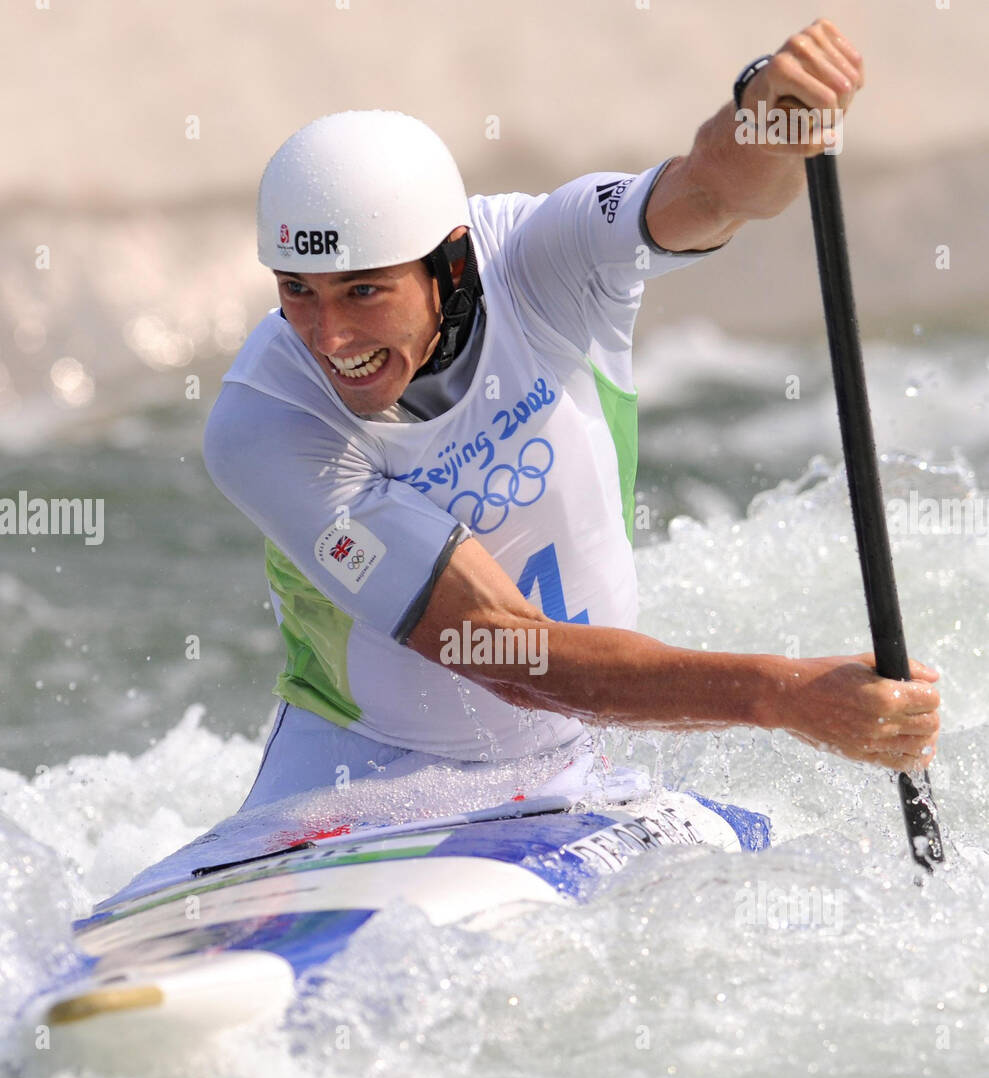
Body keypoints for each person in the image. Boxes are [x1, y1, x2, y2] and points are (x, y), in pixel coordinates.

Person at [203, 17, 939, 814]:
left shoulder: (543, 258)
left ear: (452, 265)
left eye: (363, 292)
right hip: (355, 771)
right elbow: (501, 651)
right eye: (296, 291)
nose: (328, 337)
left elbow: (710, 190)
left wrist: (769, 114)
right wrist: (782, 694)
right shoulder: (265, 423)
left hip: (579, 752)